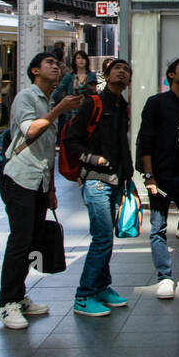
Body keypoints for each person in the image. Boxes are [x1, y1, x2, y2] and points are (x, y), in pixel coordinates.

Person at [0, 53, 84, 329]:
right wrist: (59, 109)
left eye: (58, 63)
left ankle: (19, 296)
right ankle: (7, 302)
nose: (56, 66)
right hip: (20, 179)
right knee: (20, 240)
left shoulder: (46, 101)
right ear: (35, 70)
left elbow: (48, 150)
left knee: (32, 240)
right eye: (49, 63)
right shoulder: (26, 97)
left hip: (38, 183)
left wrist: (51, 189)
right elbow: (30, 131)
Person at [63, 58, 132, 318]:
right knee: (102, 238)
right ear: (106, 74)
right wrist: (94, 160)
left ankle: (102, 287)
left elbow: (121, 145)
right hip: (96, 181)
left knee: (106, 238)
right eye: (117, 69)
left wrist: (127, 175)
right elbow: (72, 140)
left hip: (115, 181)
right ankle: (83, 295)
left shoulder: (121, 106)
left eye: (126, 70)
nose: (122, 73)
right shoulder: (93, 103)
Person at [137, 56, 179, 300]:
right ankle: (164, 276)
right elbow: (145, 141)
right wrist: (149, 176)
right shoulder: (156, 103)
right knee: (158, 227)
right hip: (161, 176)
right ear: (171, 75)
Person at [53, 50, 97, 127]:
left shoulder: (92, 75)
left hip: (87, 110)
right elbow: (59, 89)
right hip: (71, 112)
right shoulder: (69, 76)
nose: (81, 60)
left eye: (83, 58)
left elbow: (94, 92)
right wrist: (50, 99)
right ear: (75, 61)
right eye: (78, 58)